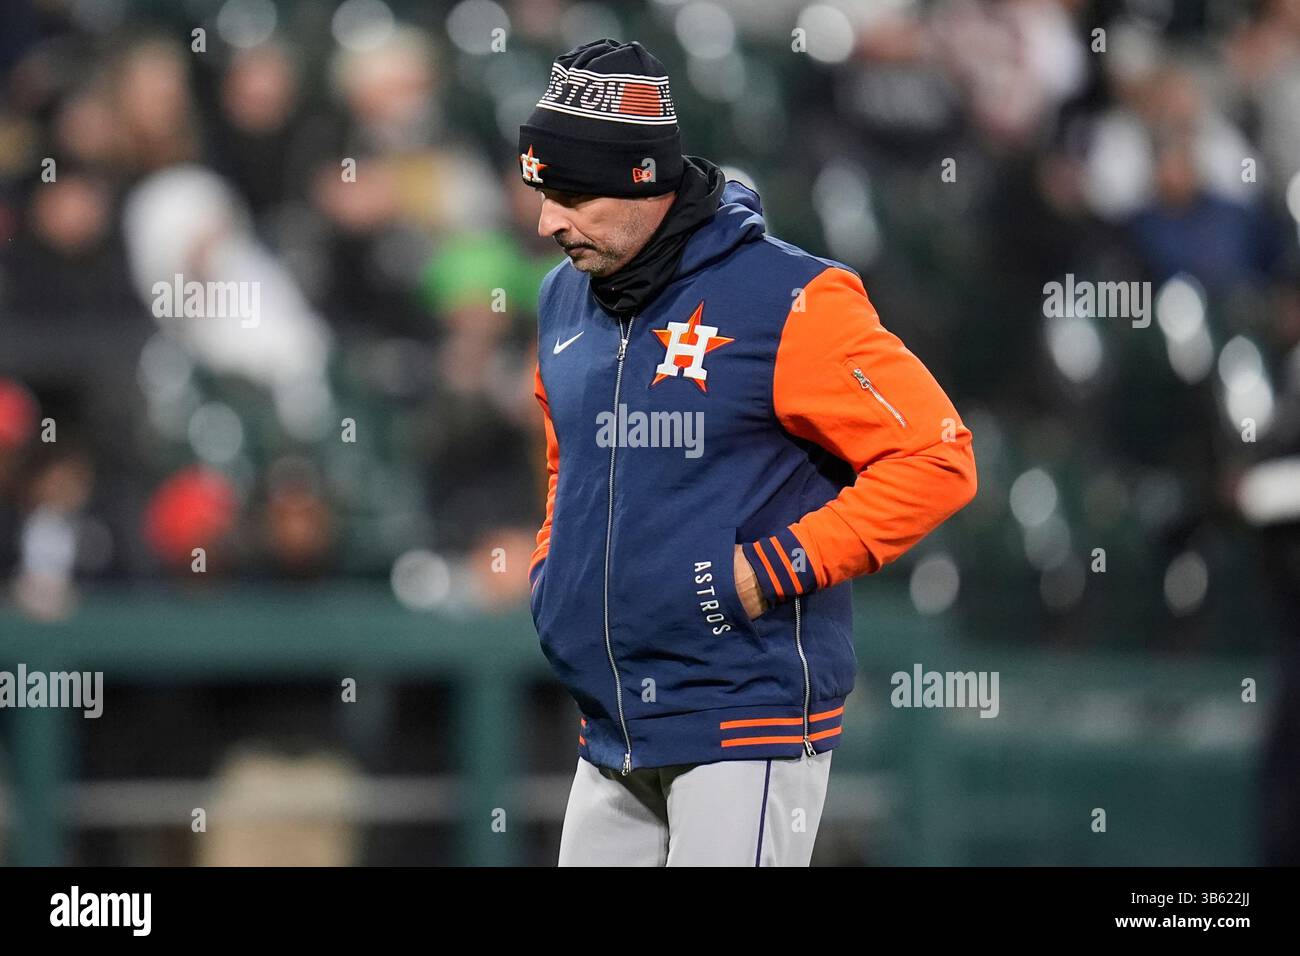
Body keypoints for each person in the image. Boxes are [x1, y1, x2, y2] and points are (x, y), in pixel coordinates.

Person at [519, 39, 977, 866]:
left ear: (639, 178)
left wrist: (769, 573)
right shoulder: (563, 296)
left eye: (569, 192)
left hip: (742, 714)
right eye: (542, 191)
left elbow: (937, 458)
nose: (547, 219)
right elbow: (570, 460)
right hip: (611, 719)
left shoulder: (790, 297)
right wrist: (557, 572)